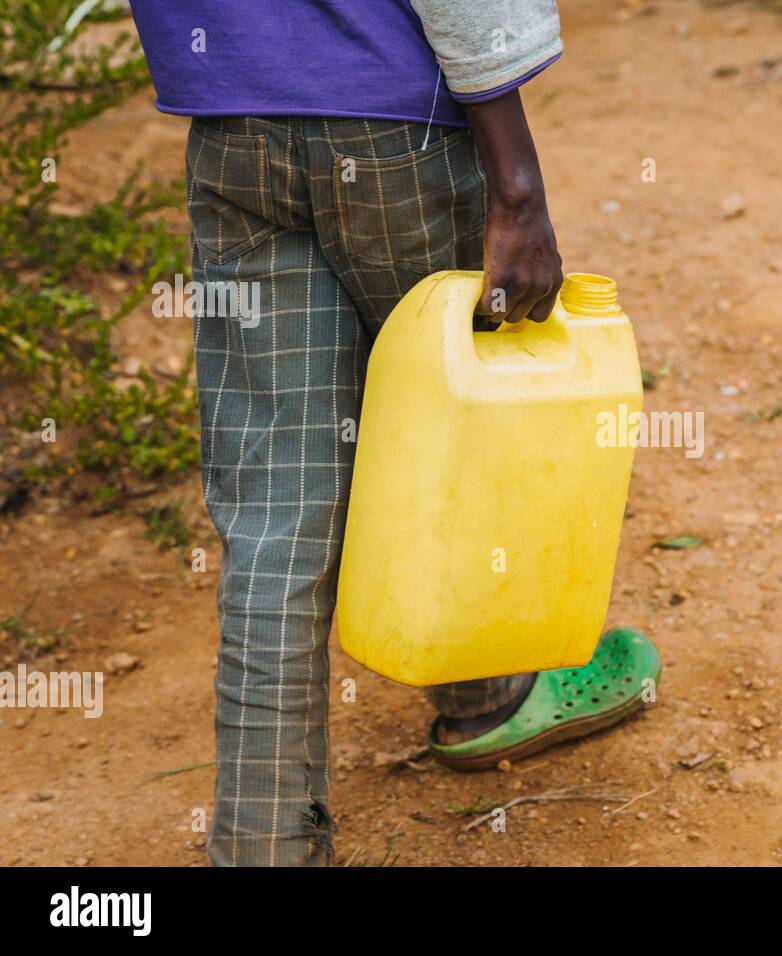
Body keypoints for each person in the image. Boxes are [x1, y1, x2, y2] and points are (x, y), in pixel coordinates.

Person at [127, 0, 661, 866]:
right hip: (394, 130)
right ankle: (491, 695)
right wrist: (518, 188)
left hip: (234, 130)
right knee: (460, 424)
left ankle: (266, 849)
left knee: (277, 518)